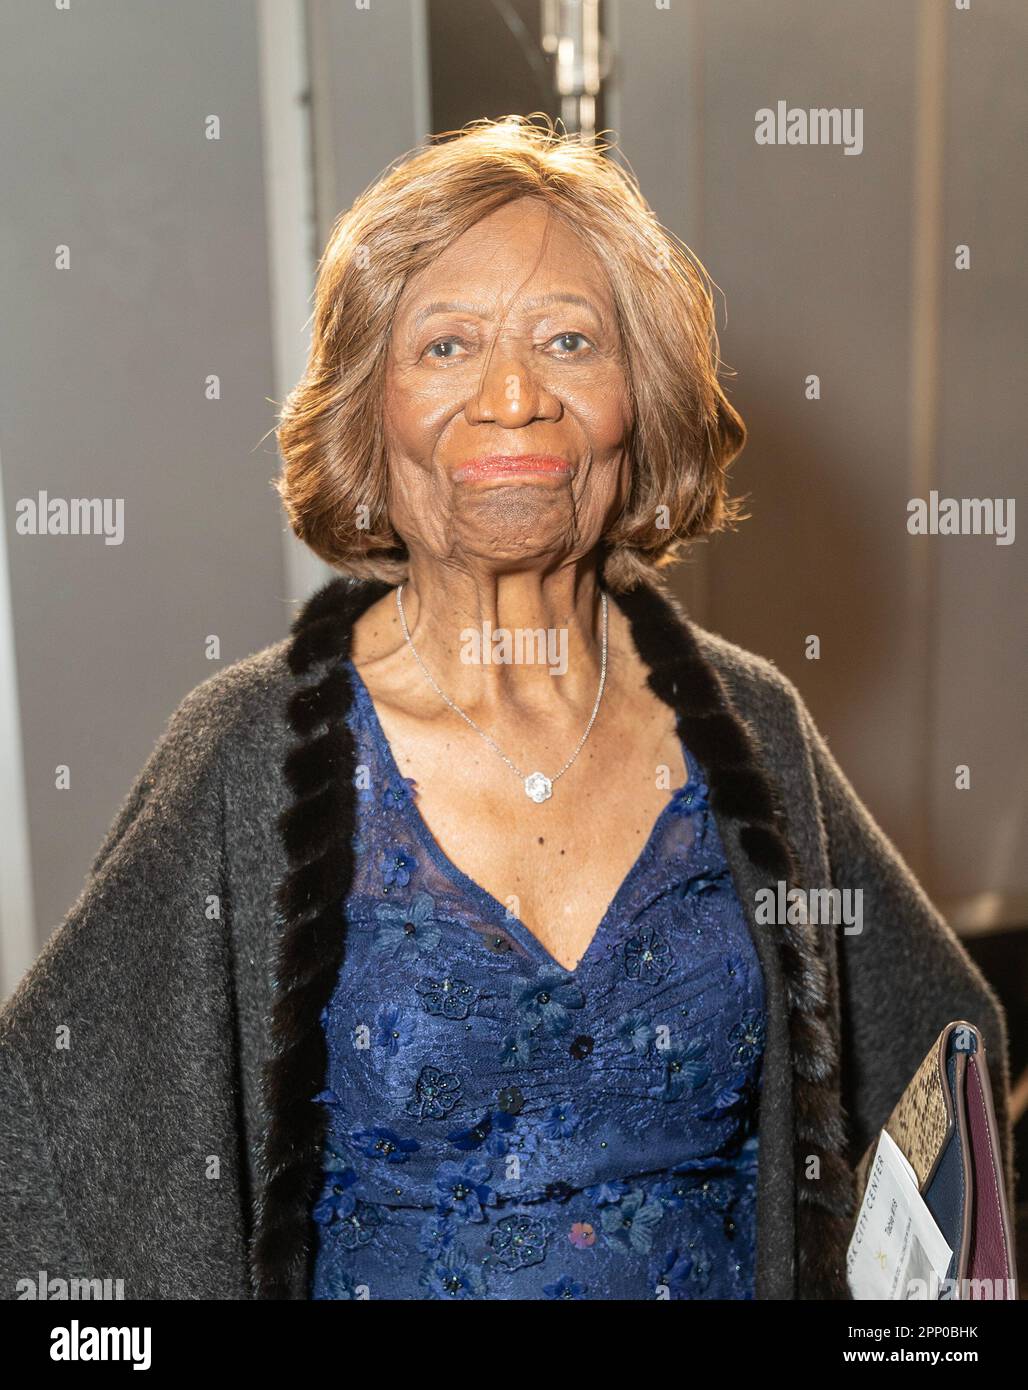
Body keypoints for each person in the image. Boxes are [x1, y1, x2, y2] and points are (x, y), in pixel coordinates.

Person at [0, 117, 1010, 1301]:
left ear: (643, 403)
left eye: (569, 340)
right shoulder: (246, 751)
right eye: (445, 346)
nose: (515, 396)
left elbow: (937, 1062)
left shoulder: (751, 726)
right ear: (370, 418)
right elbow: (52, 1149)